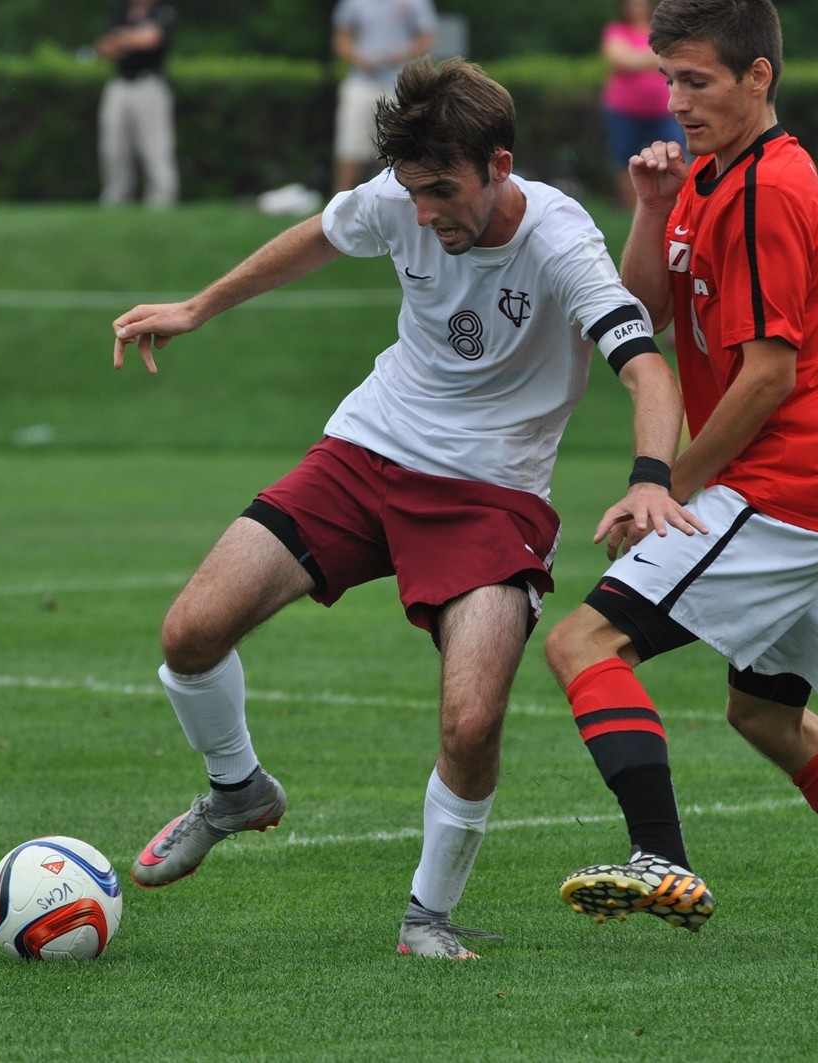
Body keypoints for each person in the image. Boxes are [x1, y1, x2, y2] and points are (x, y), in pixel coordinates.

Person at [112, 57, 694, 960]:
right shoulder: (399, 195)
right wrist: (199, 307)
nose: (422, 213)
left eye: (441, 192)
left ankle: (427, 913)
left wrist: (651, 475)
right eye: (412, 191)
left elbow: (645, 365)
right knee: (189, 632)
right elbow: (317, 234)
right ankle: (237, 789)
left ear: (499, 165)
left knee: (471, 721)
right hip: (368, 451)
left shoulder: (560, 241)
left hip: (491, 495)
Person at [542, 0, 818, 946]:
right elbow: (643, 314)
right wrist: (653, 209)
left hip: (782, 492)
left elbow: (769, 375)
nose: (675, 102)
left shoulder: (771, 191)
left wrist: (667, 476)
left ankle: (661, 858)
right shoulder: (708, 177)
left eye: (695, 82)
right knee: (767, 714)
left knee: (582, 644)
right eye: (667, 81)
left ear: (758, 78)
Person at [330, 0, 438, 194]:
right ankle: (339, 205)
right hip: (361, 82)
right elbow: (341, 38)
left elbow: (427, 38)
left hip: (400, 84)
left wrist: (401, 54)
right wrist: (358, 57)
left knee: (397, 149)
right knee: (350, 146)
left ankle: (394, 200)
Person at [600, 0, 684, 210]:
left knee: (677, 154)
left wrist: (636, 57)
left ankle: (680, 207)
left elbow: (677, 58)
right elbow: (621, 60)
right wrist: (655, 56)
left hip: (664, 109)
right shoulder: (616, 30)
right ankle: (636, 209)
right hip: (624, 109)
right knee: (624, 159)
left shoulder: (663, 29)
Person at [95, 0, 179, 207]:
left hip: (149, 85)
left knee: (155, 146)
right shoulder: (120, 11)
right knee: (113, 147)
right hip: (120, 84)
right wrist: (131, 38)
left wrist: (121, 39)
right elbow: (103, 48)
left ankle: (162, 200)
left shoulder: (162, 11)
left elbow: (151, 40)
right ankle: (115, 199)